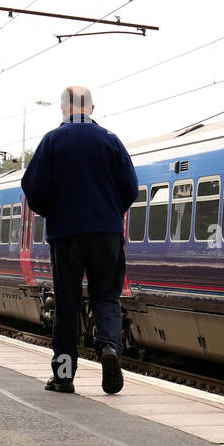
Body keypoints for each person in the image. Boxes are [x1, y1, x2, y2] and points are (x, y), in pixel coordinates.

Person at [22, 86, 138, 395]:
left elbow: (32, 188)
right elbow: (131, 188)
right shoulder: (111, 141)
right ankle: (110, 349)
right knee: (106, 297)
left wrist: (54, 212)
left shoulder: (52, 141)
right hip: (107, 236)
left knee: (67, 305)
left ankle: (64, 376)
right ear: (92, 107)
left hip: (66, 235)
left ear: (63, 108)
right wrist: (111, 213)